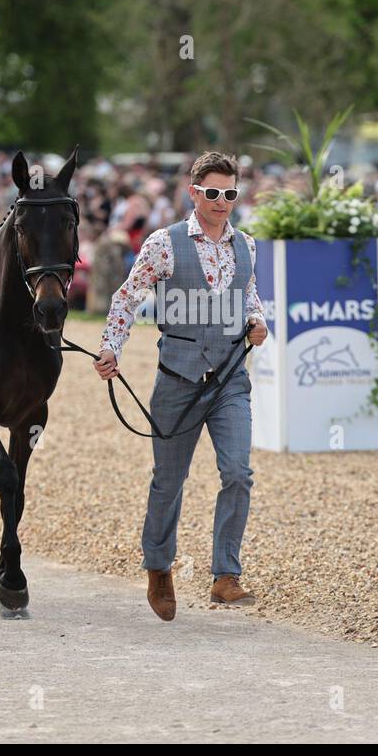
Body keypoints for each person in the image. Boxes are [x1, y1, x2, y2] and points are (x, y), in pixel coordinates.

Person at [93, 152, 269, 622]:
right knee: (169, 481)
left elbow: (249, 295)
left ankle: (225, 575)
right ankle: (158, 569)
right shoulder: (163, 243)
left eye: (229, 193)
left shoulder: (246, 245)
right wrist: (111, 347)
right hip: (178, 379)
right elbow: (128, 297)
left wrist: (257, 321)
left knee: (238, 473)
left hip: (230, 377)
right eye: (212, 193)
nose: (221, 202)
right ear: (194, 193)